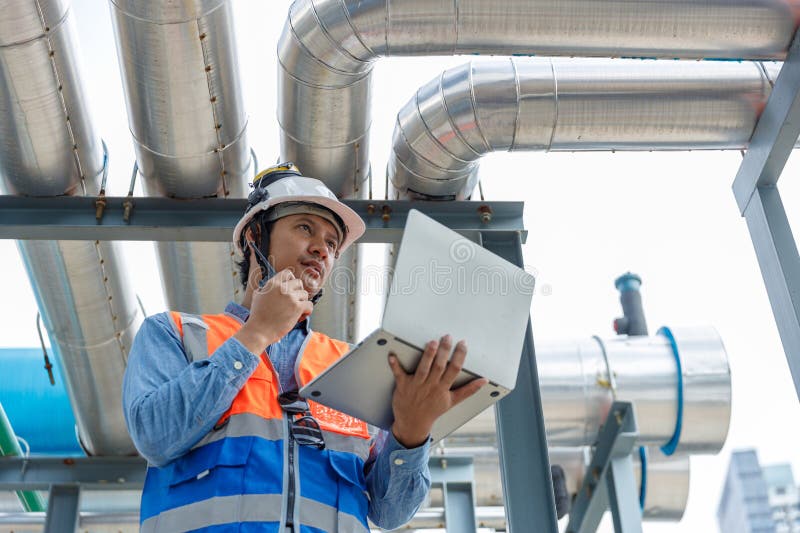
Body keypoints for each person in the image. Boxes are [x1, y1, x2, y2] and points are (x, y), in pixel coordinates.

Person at [122, 162, 488, 533]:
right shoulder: (175, 333)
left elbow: (390, 514)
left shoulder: (352, 364)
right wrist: (255, 334)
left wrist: (412, 433)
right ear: (254, 237)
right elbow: (155, 436)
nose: (321, 249)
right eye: (304, 228)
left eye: (332, 242)